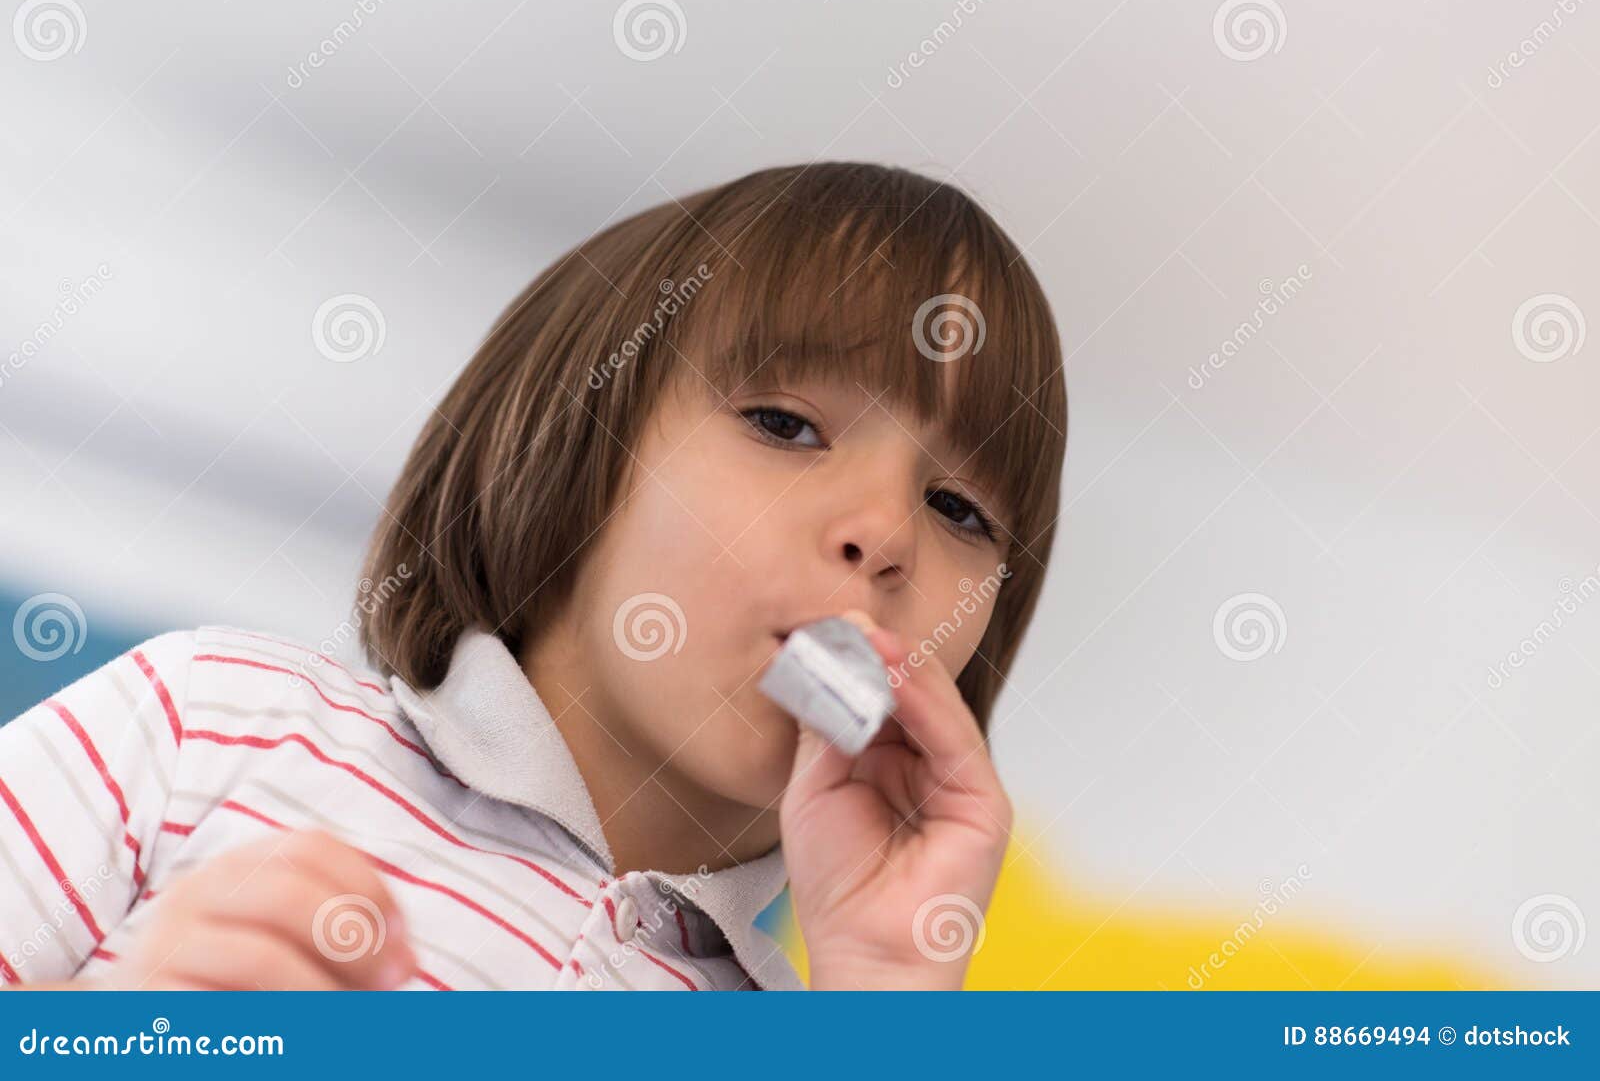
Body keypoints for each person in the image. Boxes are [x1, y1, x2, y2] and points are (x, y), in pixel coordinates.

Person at [0, 161, 1068, 990]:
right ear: (571, 457)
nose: (886, 534)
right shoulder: (211, 722)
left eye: (959, 511)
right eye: (784, 425)